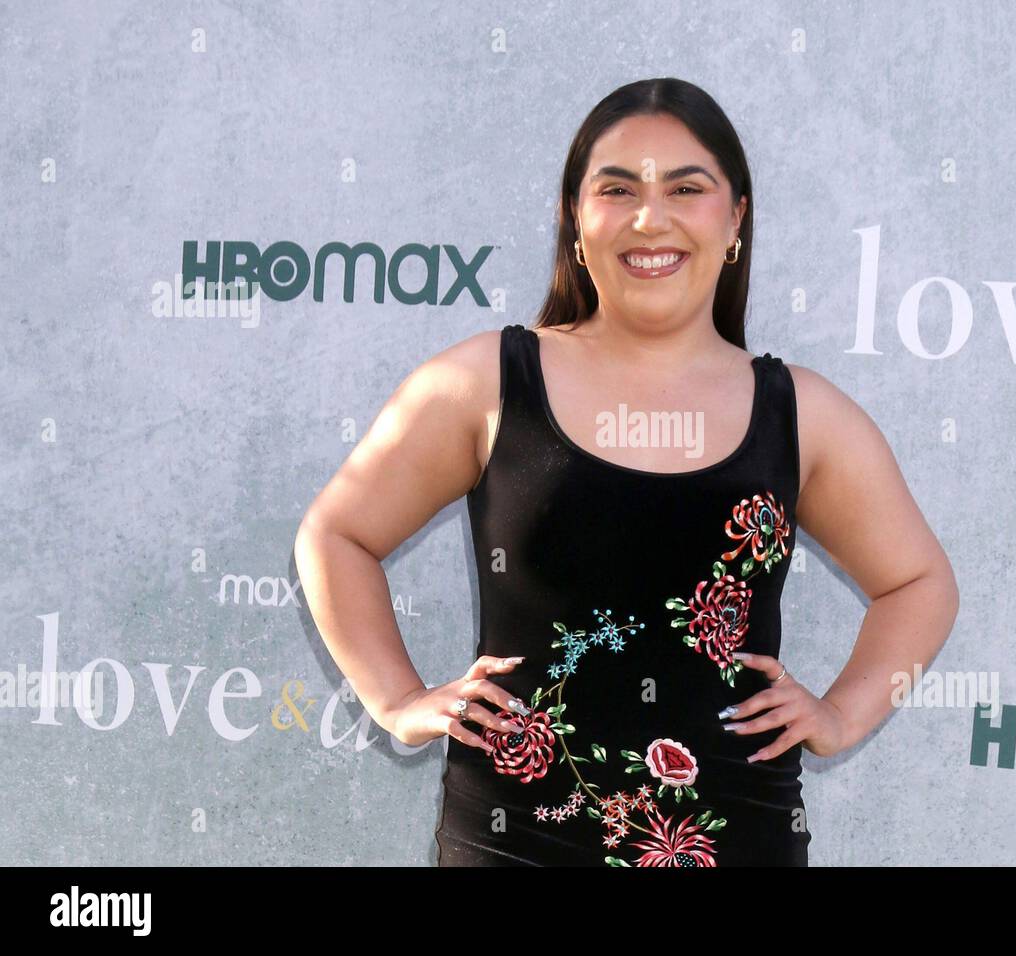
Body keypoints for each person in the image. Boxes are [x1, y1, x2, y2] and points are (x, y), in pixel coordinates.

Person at [293, 77, 959, 867]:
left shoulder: (803, 414)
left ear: (736, 218)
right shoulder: (484, 385)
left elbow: (920, 584)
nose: (652, 217)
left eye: (687, 187)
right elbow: (336, 535)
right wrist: (398, 701)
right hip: (512, 846)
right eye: (617, 188)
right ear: (575, 219)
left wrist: (842, 714)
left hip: (738, 839)